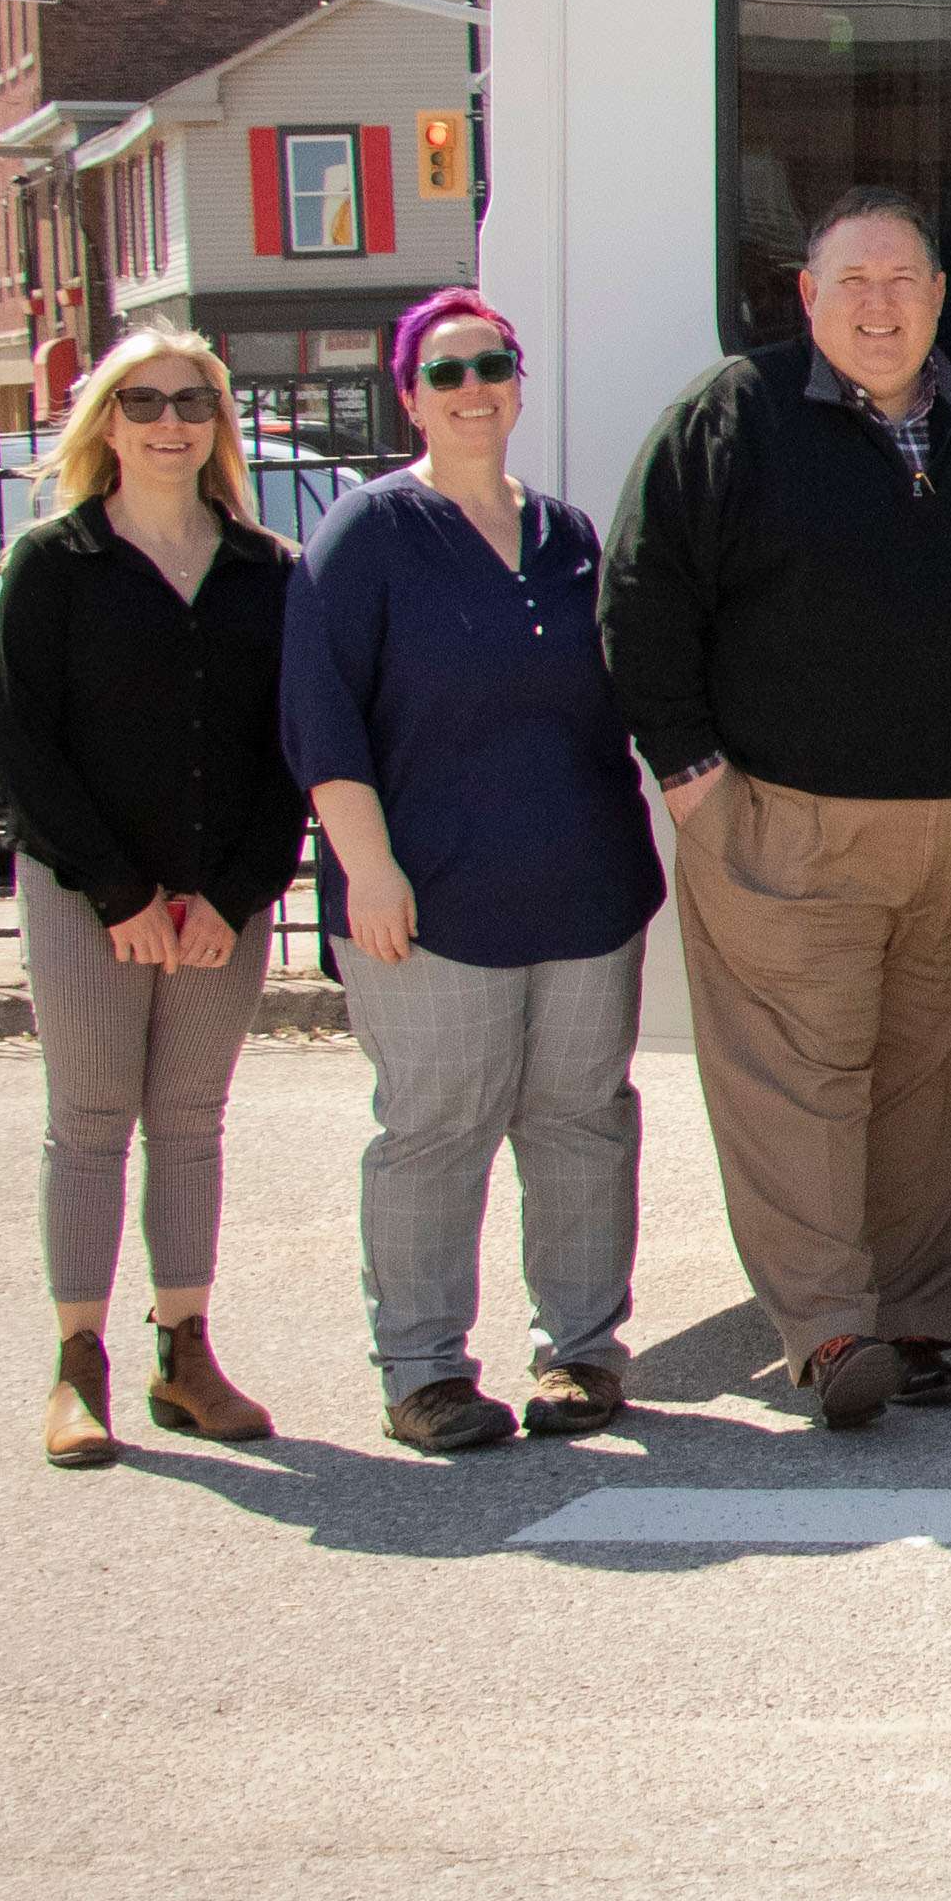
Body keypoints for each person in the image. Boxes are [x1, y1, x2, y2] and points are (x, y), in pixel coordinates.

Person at [603, 186, 951, 1430]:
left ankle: (916, 1322)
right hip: (783, 824)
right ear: (805, 298)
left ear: (938, 299)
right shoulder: (733, 418)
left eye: (903, 280)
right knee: (796, 1081)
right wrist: (693, 777)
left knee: (943, 1077)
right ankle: (826, 1331)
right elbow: (643, 591)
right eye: (851, 282)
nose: (880, 304)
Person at [281, 290, 667, 1455]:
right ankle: (424, 1370)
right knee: (435, 1131)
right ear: (409, 395)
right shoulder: (368, 533)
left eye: (491, 366)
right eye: (444, 373)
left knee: (583, 1125)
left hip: (585, 891)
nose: (472, 390)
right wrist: (368, 871)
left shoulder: (566, 536)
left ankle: (582, 1354)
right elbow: (320, 719)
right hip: (429, 900)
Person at [0, 327, 305, 1469]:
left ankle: (188, 1354)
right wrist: (122, 894)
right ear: (106, 425)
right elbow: (24, 746)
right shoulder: (56, 561)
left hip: (223, 904)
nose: (170, 420)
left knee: (188, 1123)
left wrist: (232, 894)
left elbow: (291, 750)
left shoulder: (268, 570)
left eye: (193, 401)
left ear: (218, 425)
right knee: (87, 1124)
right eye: (144, 401)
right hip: (91, 899)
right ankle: (79, 1366)